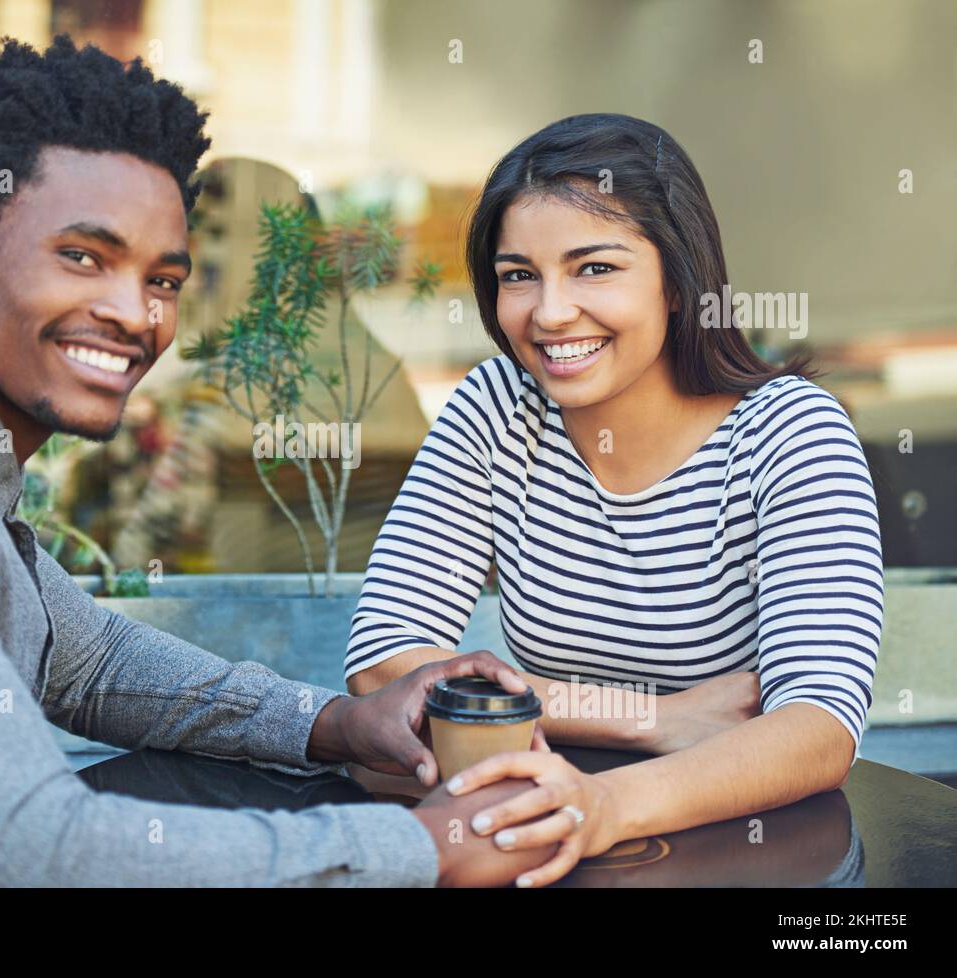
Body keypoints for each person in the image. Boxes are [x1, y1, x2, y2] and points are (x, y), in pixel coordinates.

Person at [0, 36, 550, 888]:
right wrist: (416, 850)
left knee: (258, 793)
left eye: (162, 280)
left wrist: (337, 724)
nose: (134, 313)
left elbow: (84, 664)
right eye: (83, 257)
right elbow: (30, 855)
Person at [344, 113, 883, 887]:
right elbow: (383, 665)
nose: (550, 312)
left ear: (677, 278)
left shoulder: (791, 432)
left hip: (748, 856)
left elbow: (817, 729)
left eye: (594, 268)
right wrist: (650, 720)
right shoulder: (498, 407)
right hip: (548, 837)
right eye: (518, 274)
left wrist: (603, 805)